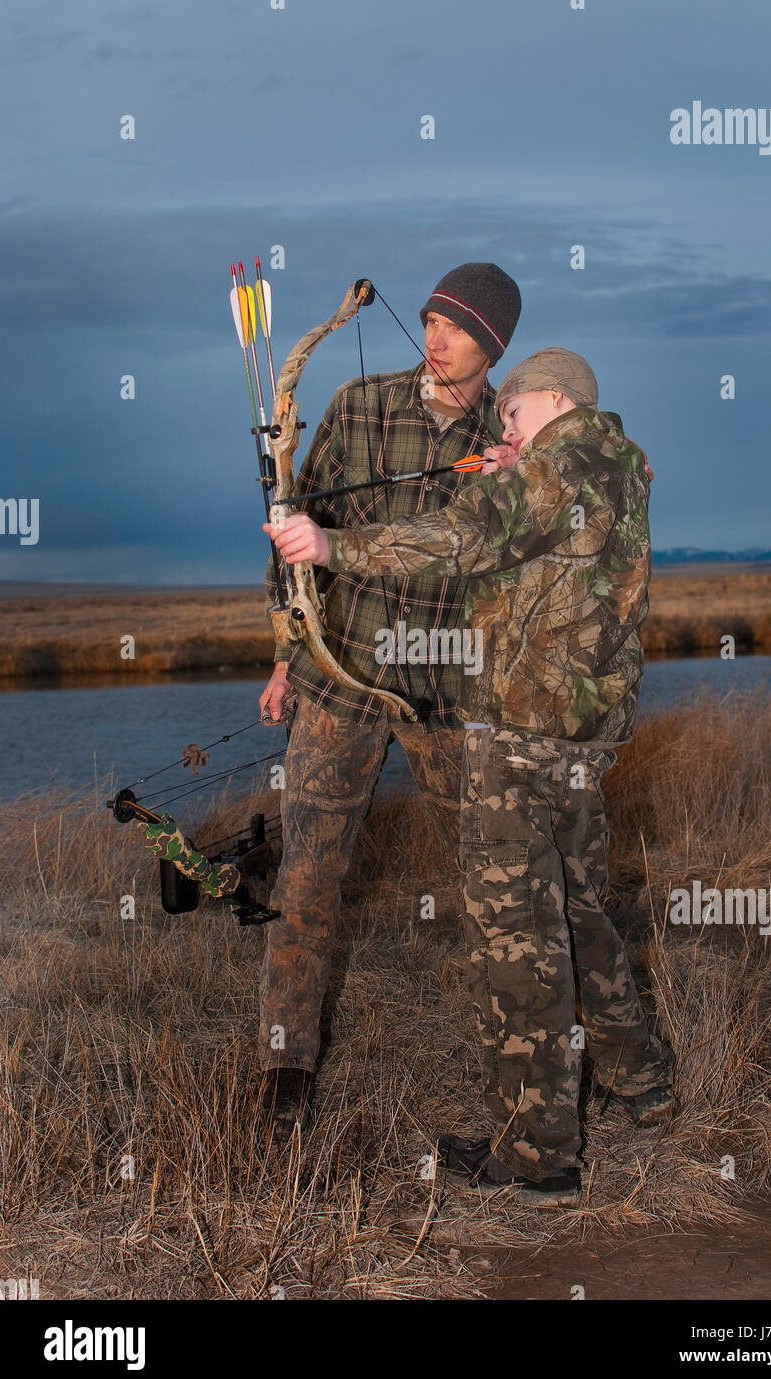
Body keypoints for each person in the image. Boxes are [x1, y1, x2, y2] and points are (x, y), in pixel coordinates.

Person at [266, 347, 675, 1204]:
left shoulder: (554, 469)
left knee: (520, 939)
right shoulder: (617, 464)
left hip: (523, 733)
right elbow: (542, 549)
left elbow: (456, 539)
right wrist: (519, 468)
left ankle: (539, 1157)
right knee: (581, 906)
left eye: (514, 416)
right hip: (584, 732)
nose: (504, 430)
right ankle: (641, 1087)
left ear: (551, 400)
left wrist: (327, 542)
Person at [256, 263, 522, 1141]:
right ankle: (285, 1069)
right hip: (341, 674)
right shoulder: (359, 403)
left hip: (449, 691)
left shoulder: (510, 437)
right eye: (433, 320)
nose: (438, 338)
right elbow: (292, 525)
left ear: (495, 348)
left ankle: (528, 1077)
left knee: (492, 881)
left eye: (461, 329)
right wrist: (290, 646)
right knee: (307, 876)